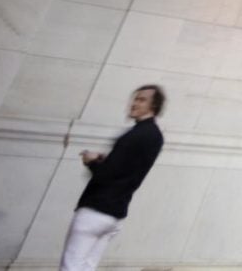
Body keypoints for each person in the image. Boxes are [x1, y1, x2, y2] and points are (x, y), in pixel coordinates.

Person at [60, 84, 165, 271]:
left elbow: (106, 175)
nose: (134, 103)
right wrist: (106, 161)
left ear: (154, 106)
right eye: (135, 98)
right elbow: (127, 169)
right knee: (87, 266)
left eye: (141, 100)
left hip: (95, 211)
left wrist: (91, 161)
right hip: (116, 215)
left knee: (71, 266)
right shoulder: (156, 136)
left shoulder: (133, 135)